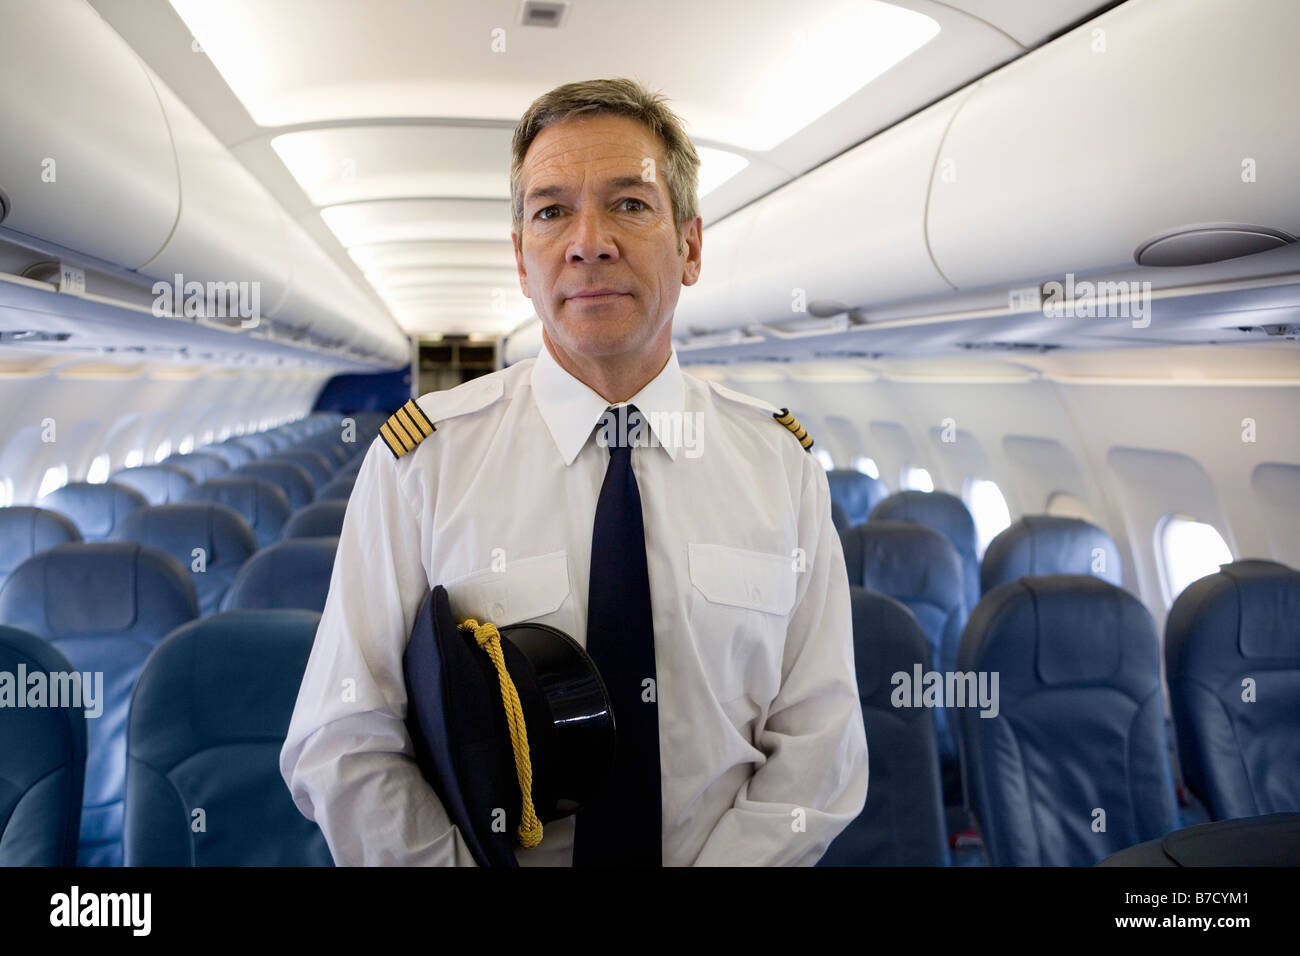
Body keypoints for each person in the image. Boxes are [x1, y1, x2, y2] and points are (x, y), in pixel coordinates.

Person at [280, 77, 868, 866]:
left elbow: (820, 750)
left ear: (690, 246)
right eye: (552, 211)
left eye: (630, 203)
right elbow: (341, 740)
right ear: (522, 259)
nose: (589, 240)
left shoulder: (782, 467)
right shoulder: (421, 463)